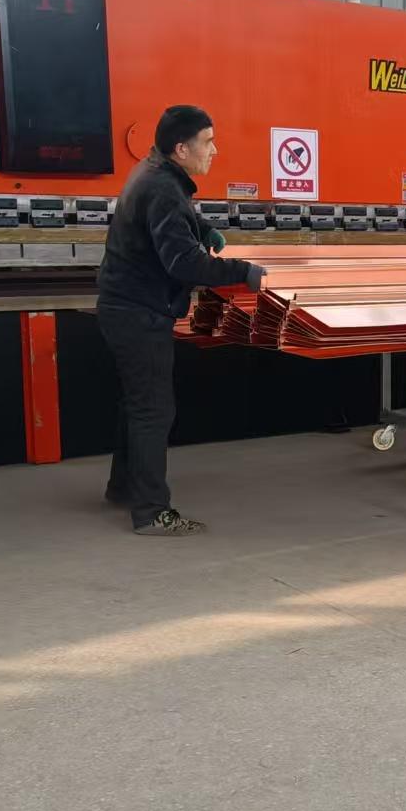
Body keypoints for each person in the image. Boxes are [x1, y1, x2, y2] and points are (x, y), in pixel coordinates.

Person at [96, 105, 264, 536]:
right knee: (153, 410)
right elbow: (184, 264)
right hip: (138, 312)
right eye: (208, 142)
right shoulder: (163, 187)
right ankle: (152, 512)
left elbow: (173, 221)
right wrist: (243, 272)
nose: (215, 150)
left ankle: (124, 488)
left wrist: (203, 229)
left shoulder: (155, 172)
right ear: (181, 148)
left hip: (125, 306)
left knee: (137, 405)